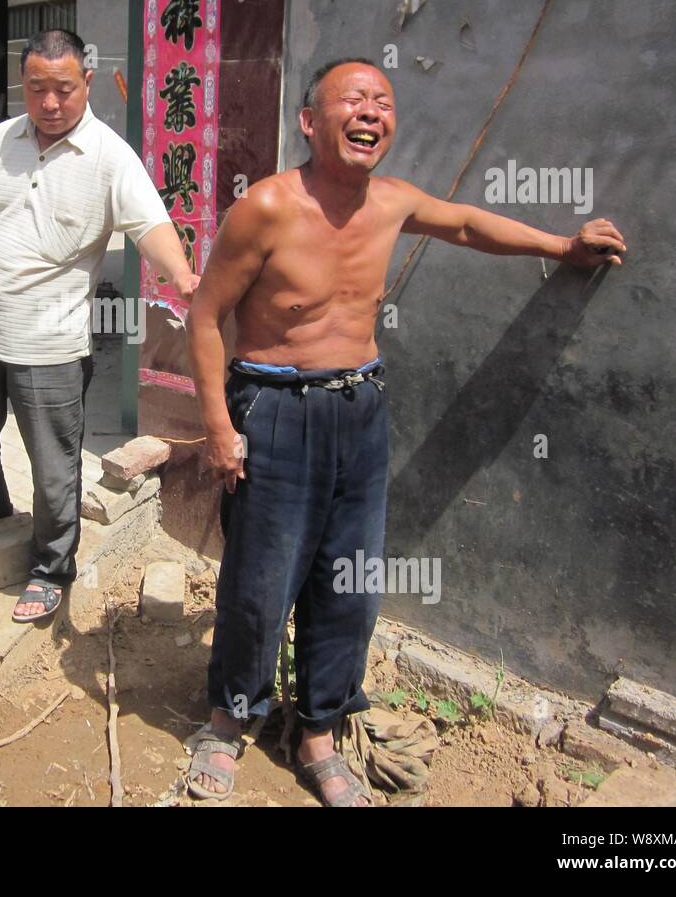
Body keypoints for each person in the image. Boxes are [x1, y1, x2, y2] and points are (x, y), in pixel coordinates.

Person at [184, 58, 626, 804]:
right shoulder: (265, 207)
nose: (370, 112)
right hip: (276, 407)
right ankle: (229, 719)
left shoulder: (391, 202)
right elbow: (203, 316)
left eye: (382, 102)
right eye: (352, 98)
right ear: (309, 120)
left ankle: (319, 728)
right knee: (260, 582)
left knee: (349, 583)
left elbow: (465, 223)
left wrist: (561, 248)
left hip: (361, 409)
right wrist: (220, 427)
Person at [0, 28, 198, 623]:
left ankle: (52, 567)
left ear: (87, 82)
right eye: (37, 88)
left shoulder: (109, 156)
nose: (49, 103)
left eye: (63, 89)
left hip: (51, 345)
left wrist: (182, 278)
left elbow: (149, 227)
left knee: (52, 469)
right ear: (24, 84)